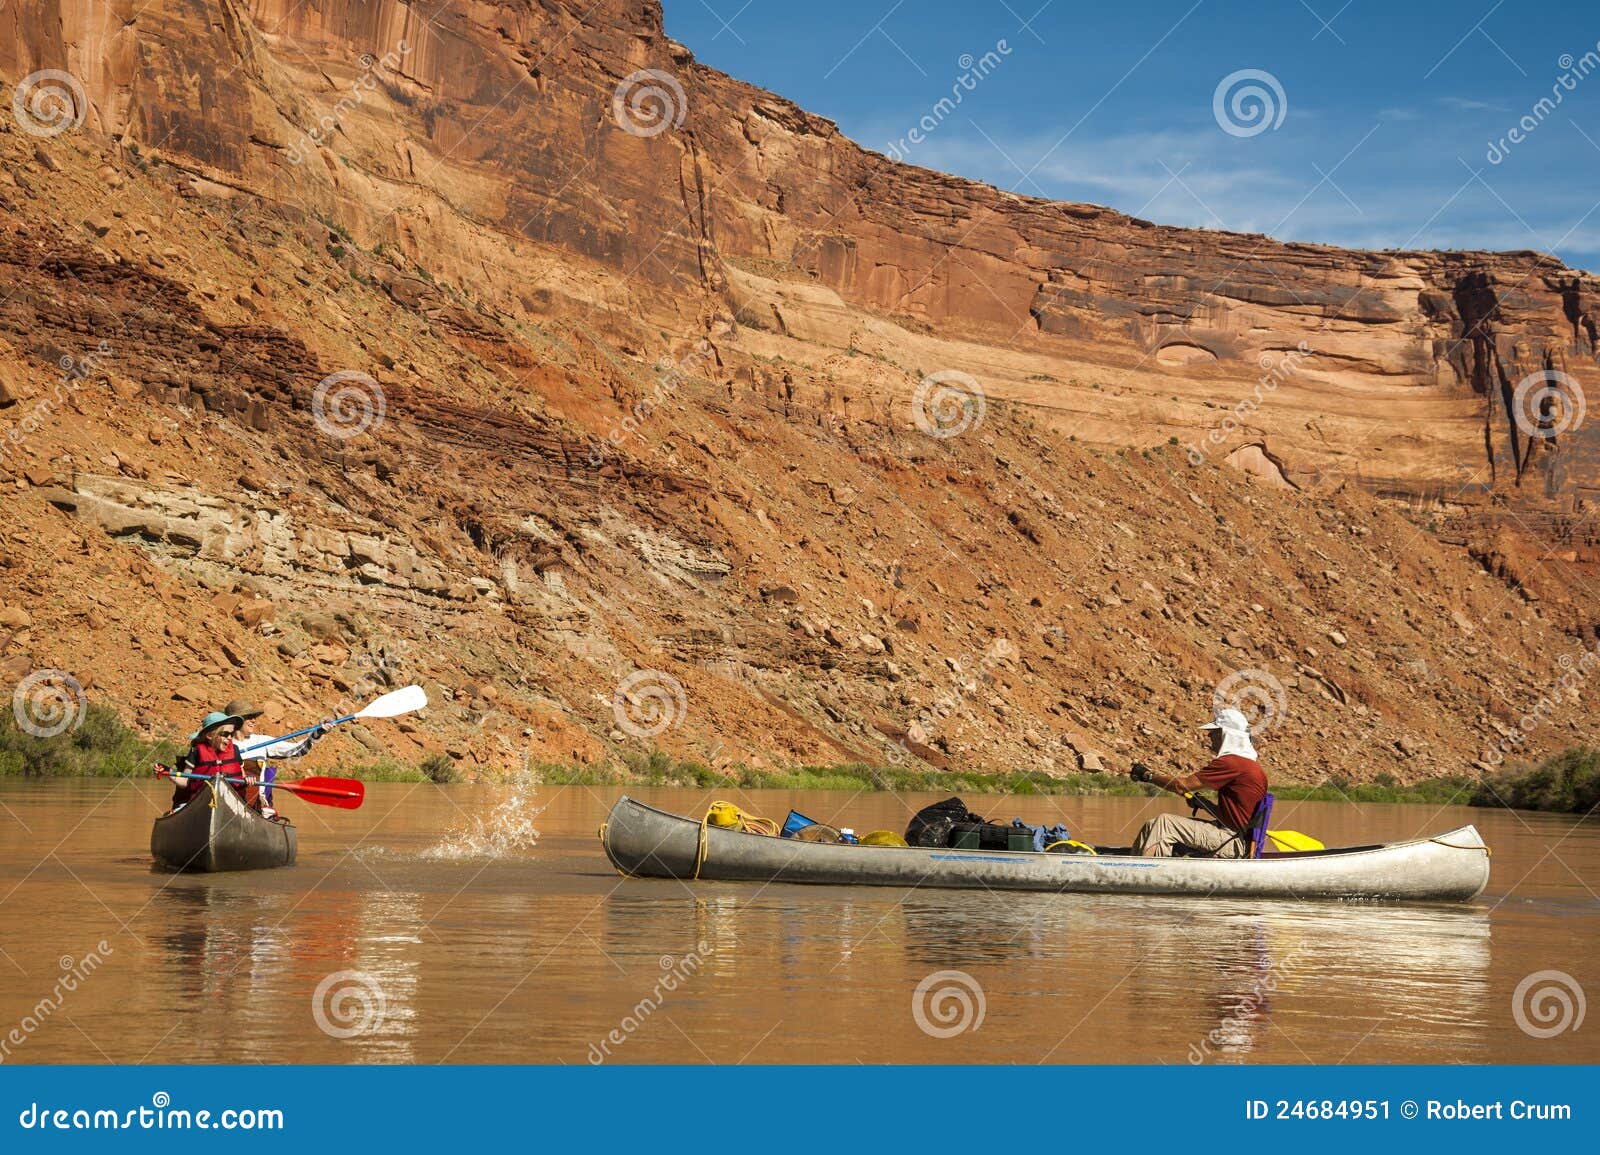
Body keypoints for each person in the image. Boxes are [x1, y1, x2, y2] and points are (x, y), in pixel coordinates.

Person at [1128, 707, 1268, 858]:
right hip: (1232, 835)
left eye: (1214, 731)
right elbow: (1235, 818)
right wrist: (1203, 803)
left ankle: (1149, 872)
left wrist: (1148, 776)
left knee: (1164, 823)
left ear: (1225, 734)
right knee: (1152, 825)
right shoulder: (1250, 765)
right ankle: (1133, 864)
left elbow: (1180, 786)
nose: (1209, 735)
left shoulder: (1233, 763)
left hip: (1234, 842)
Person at [159, 711, 250, 812]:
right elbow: (184, 781)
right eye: (225, 734)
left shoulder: (235, 750)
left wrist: (248, 780)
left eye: (231, 734)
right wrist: (168, 771)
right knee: (176, 812)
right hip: (200, 802)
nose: (229, 737)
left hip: (233, 804)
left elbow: (243, 777)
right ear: (210, 736)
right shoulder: (196, 751)